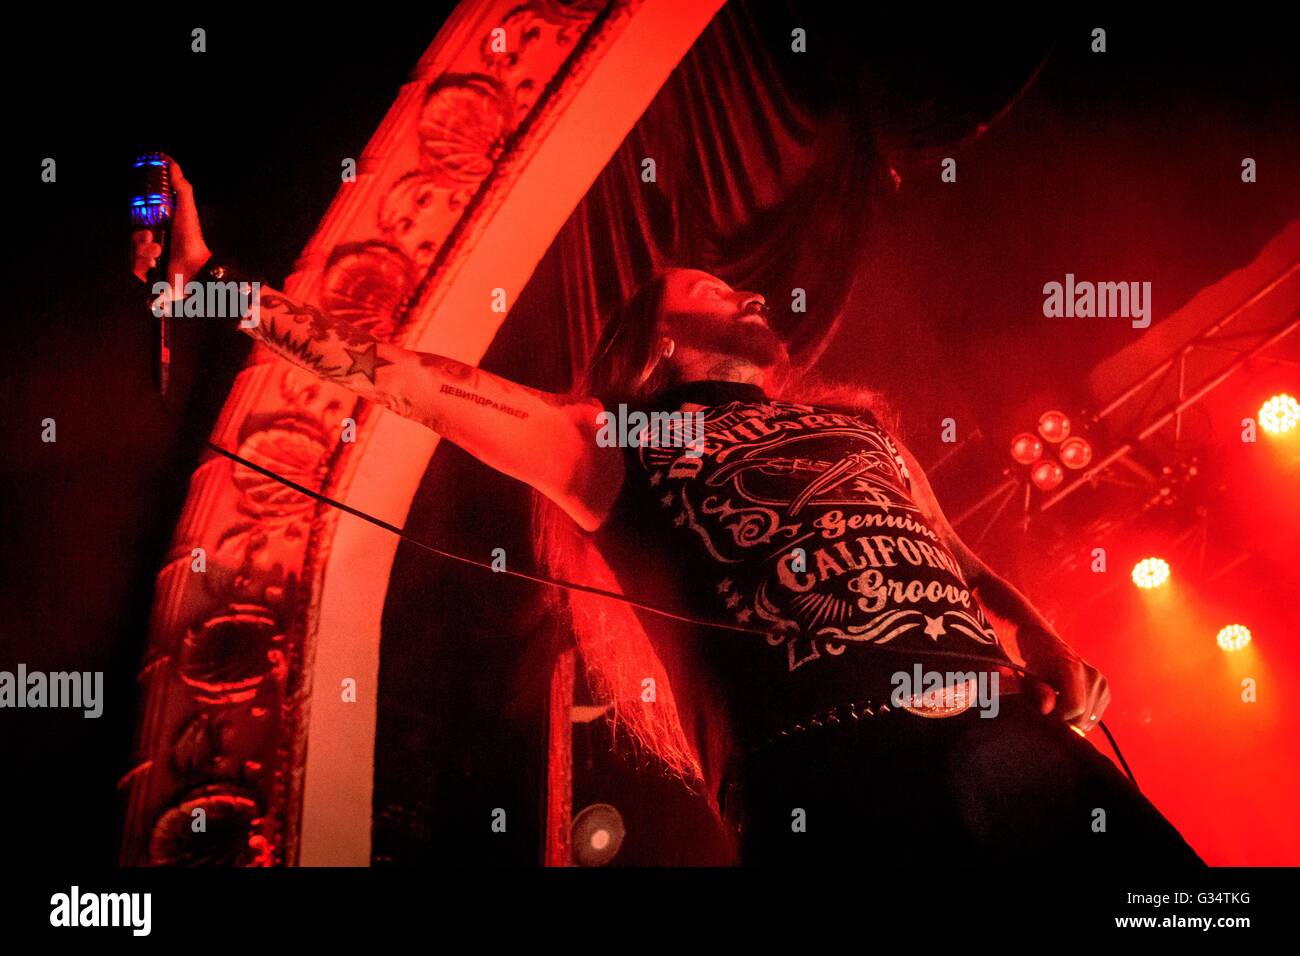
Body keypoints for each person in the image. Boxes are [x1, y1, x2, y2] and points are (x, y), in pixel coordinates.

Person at [132, 161, 1204, 866]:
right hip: (836, 781)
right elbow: (398, 375)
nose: (748, 295)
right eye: (712, 290)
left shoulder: (856, 426)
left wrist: (1044, 631)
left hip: (1007, 732)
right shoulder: (613, 438)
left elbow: (954, 553)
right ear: (657, 343)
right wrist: (213, 286)